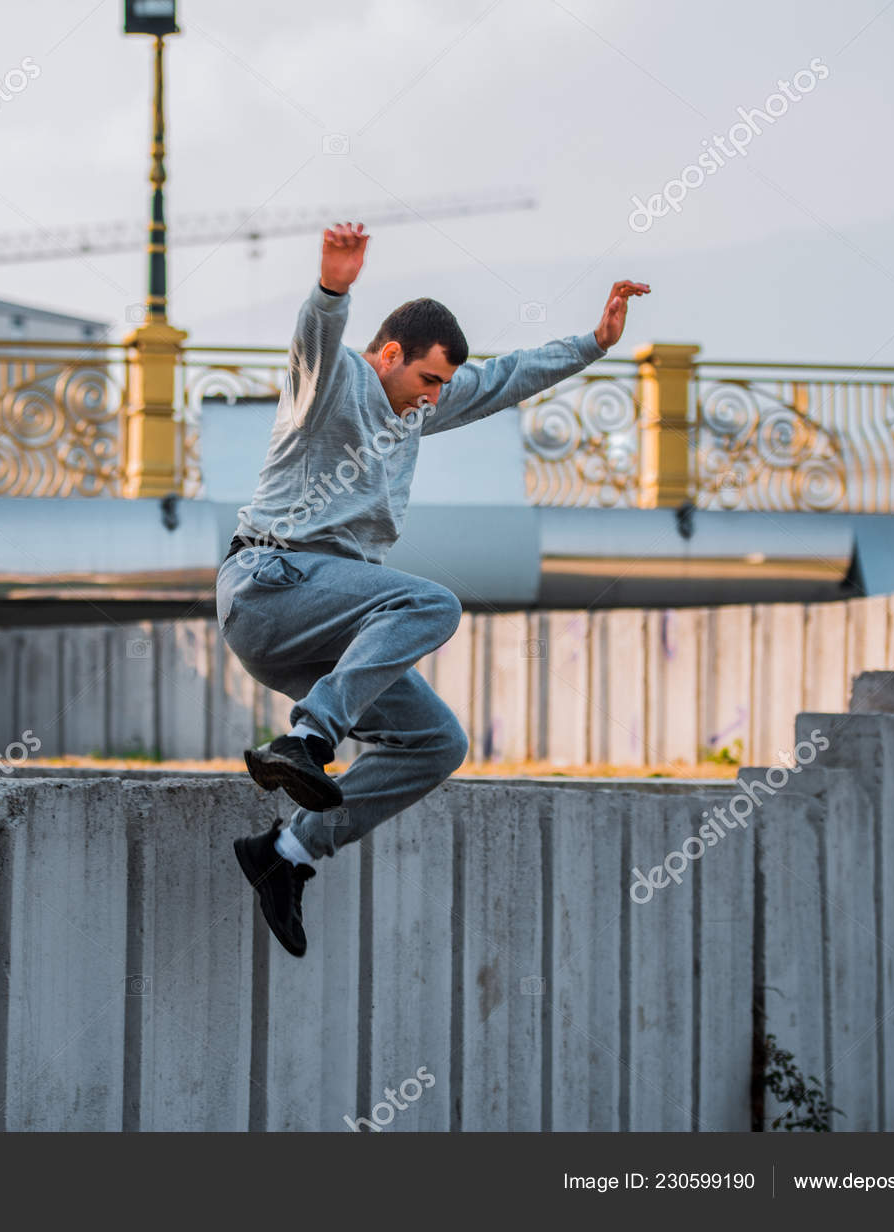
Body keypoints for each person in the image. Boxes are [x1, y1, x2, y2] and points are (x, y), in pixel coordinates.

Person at [219, 221, 648, 957]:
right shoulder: (333, 382)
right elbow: (314, 341)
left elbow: (508, 376)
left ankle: (285, 854)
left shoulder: (419, 403)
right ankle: (308, 738)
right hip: (269, 584)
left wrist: (595, 344)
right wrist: (332, 288)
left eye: (443, 387)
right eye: (427, 381)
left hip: (324, 624)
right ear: (389, 355)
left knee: (436, 742)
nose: (433, 399)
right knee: (428, 602)